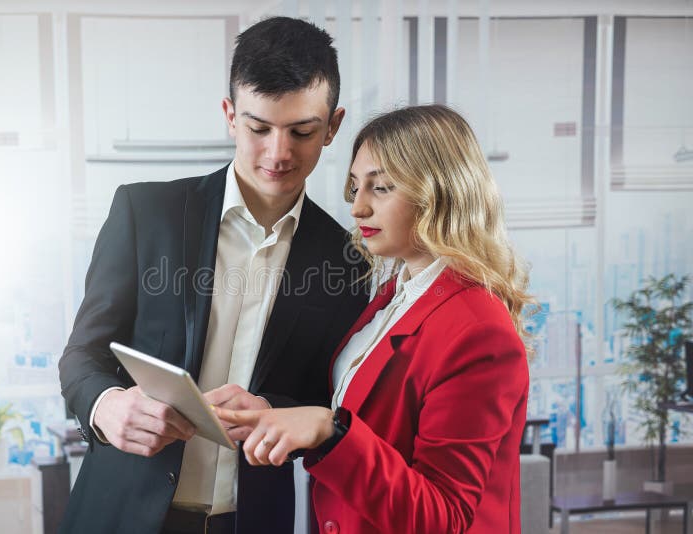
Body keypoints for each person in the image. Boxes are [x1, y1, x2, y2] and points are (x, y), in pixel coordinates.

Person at [58, 17, 368, 534]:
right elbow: (81, 356)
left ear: (332, 127)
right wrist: (106, 405)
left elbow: (332, 403)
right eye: (259, 128)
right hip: (118, 514)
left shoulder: (350, 260)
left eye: (302, 131)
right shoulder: (144, 212)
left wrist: (274, 410)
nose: (278, 152)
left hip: (251, 520)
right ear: (229, 115)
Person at [216, 104, 533, 534]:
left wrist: (329, 430)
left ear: (438, 192)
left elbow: (445, 517)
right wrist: (277, 412)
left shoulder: (478, 331)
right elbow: (368, 417)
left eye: (380, 188)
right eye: (354, 188)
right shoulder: (394, 295)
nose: (357, 209)